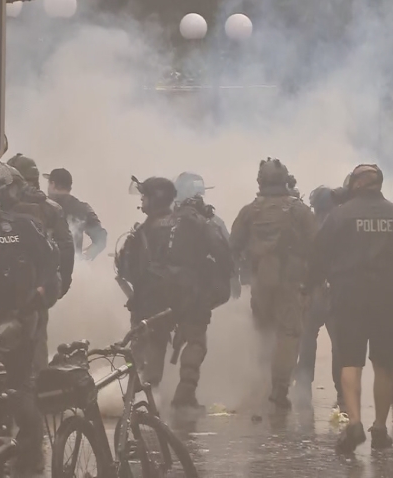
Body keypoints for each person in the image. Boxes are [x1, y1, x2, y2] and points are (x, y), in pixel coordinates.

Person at [307, 164, 393, 453]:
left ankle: (355, 423)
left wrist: (311, 286)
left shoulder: (340, 215)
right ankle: (381, 428)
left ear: (356, 184)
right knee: (385, 365)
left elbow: (318, 255)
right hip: (391, 300)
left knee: (351, 363)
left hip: (349, 299)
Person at [115, 176, 233, 411]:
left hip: (153, 299)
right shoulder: (193, 221)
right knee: (196, 340)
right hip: (190, 295)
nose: (141, 200)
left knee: (155, 342)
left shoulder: (143, 230)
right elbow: (223, 253)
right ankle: (184, 393)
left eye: (145, 196)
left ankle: (148, 398)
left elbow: (127, 269)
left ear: (154, 199)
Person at [229, 158, 318, 409]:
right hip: (290, 281)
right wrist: (312, 281)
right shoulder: (298, 210)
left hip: (260, 281)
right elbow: (317, 246)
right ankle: (279, 387)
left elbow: (233, 246)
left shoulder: (250, 210)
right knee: (288, 333)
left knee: (263, 330)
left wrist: (238, 277)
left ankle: (259, 383)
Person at [0, 163, 60, 477]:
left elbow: (51, 264)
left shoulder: (23, 226)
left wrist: (39, 294)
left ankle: (29, 459)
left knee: (18, 388)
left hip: (18, 318)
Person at [5, 154, 75, 382]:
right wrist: (57, 286)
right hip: (39, 290)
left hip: (7, 290)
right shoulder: (50, 209)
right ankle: (36, 397)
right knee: (36, 345)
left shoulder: (4, 204)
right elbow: (65, 249)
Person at [292, 185, 343, 409]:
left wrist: (305, 287)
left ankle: (303, 387)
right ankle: (342, 390)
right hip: (334, 291)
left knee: (306, 340)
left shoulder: (308, 225)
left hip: (313, 291)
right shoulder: (341, 223)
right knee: (339, 344)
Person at [174, 171, 241, 300]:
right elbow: (227, 251)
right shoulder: (213, 222)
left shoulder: (167, 220)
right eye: (197, 195)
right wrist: (233, 277)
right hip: (201, 291)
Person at [43, 168, 108, 261]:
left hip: (45, 268)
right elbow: (101, 237)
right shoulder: (82, 208)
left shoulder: (42, 206)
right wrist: (84, 257)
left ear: (52, 185)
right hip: (72, 268)